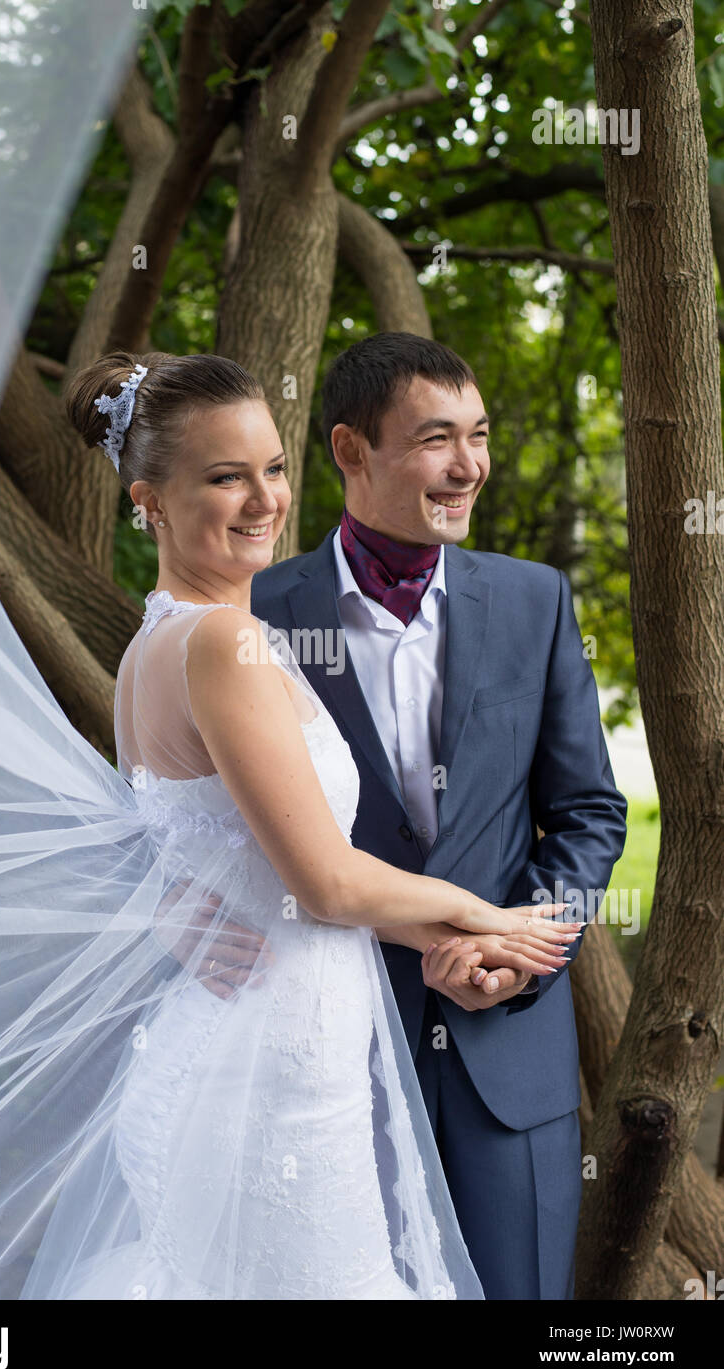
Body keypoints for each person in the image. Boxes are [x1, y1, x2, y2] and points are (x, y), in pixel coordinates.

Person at [46, 347, 575, 1299]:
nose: (262, 499)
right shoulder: (229, 638)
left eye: (272, 469)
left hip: (270, 1052)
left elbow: (192, 840)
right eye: (223, 477)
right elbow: (324, 881)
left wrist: (494, 938)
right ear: (148, 500)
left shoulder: (154, 643)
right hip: (275, 1082)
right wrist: (489, 917)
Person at [249, 331, 629, 1299]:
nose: (470, 466)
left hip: (514, 1069)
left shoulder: (535, 602)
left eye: (480, 435)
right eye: (435, 439)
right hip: (334, 1066)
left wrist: (522, 951)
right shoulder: (258, 615)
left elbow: (586, 813)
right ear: (349, 452)